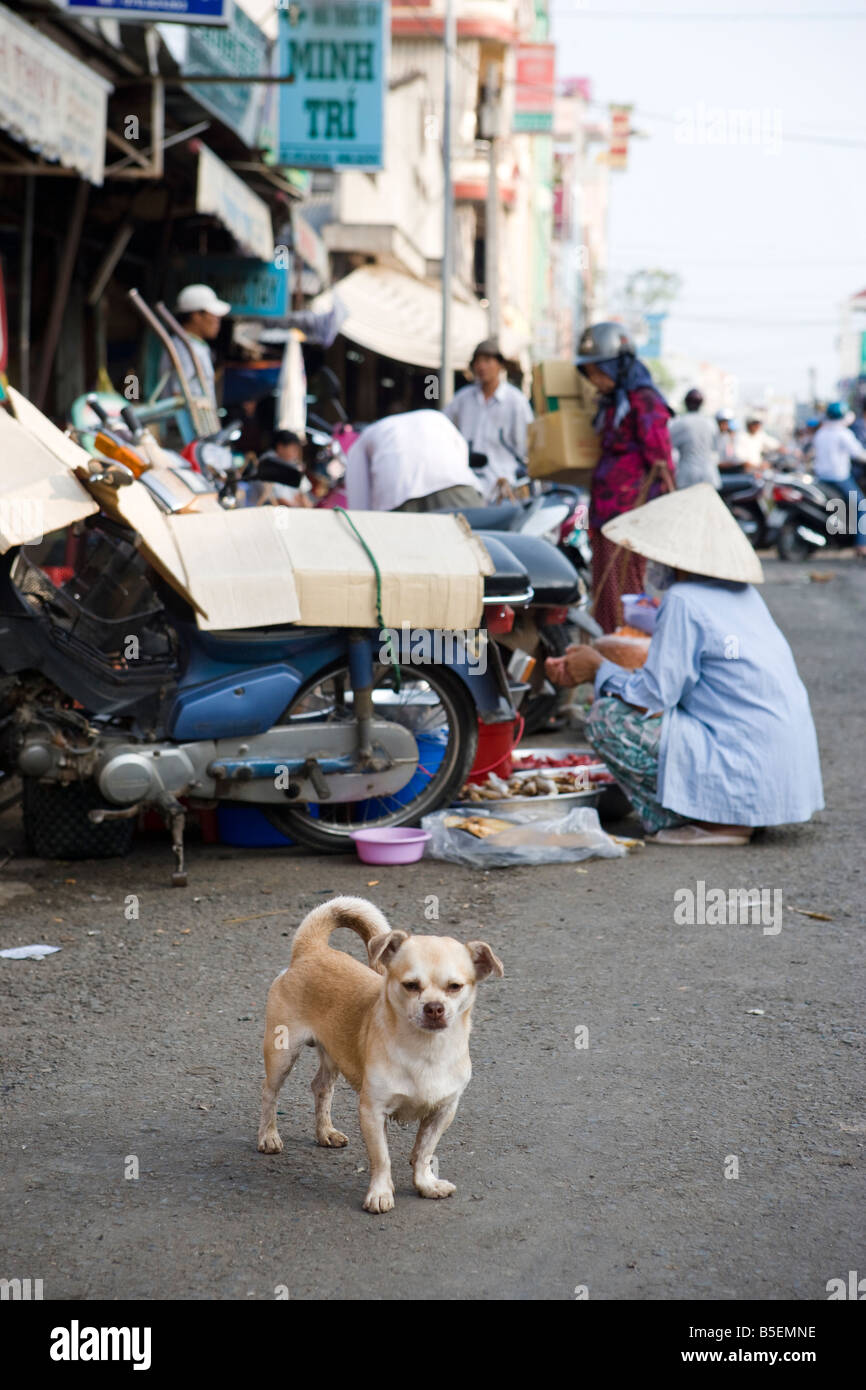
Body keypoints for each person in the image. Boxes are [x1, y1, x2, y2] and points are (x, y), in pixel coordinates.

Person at [544, 484, 824, 843]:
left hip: (740, 755)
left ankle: (713, 822)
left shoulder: (684, 599)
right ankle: (733, 813)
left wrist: (598, 670)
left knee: (605, 718)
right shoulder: (745, 596)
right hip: (778, 771)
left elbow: (654, 695)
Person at [574, 321, 676, 633]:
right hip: (604, 512)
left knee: (625, 591)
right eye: (589, 372)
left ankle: (627, 662)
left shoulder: (643, 399)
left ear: (617, 366)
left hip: (630, 514)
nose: (594, 379)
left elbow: (660, 458)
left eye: (598, 370)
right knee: (604, 592)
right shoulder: (610, 403)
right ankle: (606, 657)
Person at [445, 340, 533, 502]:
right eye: (477, 361)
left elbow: (525, 446)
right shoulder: (463, 399)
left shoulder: (516, 401)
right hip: (467, 483)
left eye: (487, 361)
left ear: (500, 365)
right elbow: (445, 429)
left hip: (503, 485)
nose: (481, 366)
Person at [345, 409, 484, 512]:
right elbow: (462, 453)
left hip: (399, 497)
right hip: (455, 487)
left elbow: (359, 496)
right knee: (474, 545)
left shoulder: (367, 435)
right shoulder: (435, 417)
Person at [159, 283, 230, 414]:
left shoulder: (197, 346)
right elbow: (180, 394)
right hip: (186, 429)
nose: (217, 320)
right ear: (196, 316)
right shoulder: (183, 347)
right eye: (213, 314)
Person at [811, 402, 866, 558]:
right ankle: (862, 545)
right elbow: (858, 453)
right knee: (862, 506)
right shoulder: (843, 433)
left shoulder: (821, 433)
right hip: (838, 478)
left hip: (821, 478)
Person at [668, 388, 721, 489]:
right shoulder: (710, 423)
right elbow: (715, 448)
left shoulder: (680, 423)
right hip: (708, 475)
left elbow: (668, 446)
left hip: (688, 476)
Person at [248, 430, 312, 508]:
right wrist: (299, 506)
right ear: (280, 447)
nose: (296, 453)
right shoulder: (268, 463)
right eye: (293, 449)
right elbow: (278, 499)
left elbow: (301, 494)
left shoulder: (291, 464)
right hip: (263, 511)